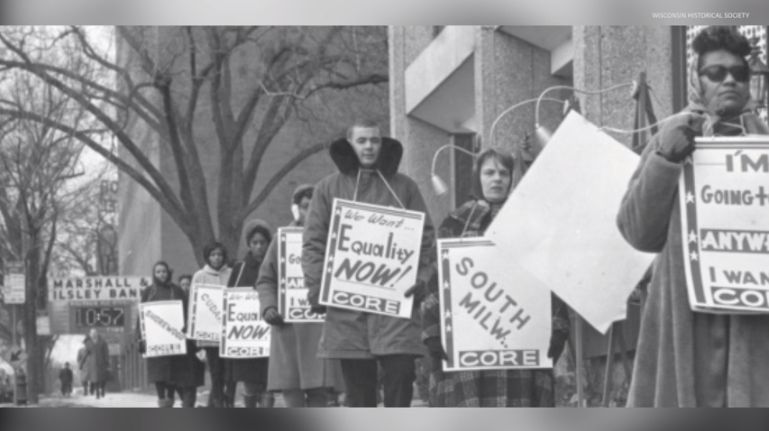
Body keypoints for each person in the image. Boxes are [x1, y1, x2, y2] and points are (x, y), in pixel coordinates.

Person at [617, 26, 769, 407]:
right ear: (697, 81)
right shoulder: (670, 136)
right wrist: (665, 162)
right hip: (683, 319)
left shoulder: (765, 143)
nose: (730, 80)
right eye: (716, 73)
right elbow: (637, 233)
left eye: (739, 73)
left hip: (754, 325)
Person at [420, 148, 570, 407]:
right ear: (478, 177)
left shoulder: (530, 224)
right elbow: (435, 282)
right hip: (467, 347)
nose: (497, 178)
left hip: (519, 343)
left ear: (511, 178)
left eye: (503, 173)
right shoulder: (455, 224)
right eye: (489, 172)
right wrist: (434, 335)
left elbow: (548, 282)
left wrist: (556, 330)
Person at [303, 119, 436, 407]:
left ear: (382, 143)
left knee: (400, 379)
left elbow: (426, 239)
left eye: (374, 140)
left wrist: (422, 279)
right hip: (347, 312)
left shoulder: (404, 187)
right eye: (362, 141)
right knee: (360, 393)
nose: (369, 146)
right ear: (350, 144)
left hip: (395, 308)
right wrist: (318, 288)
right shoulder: (328, 188)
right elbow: (313, 243)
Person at [257, 184, 346, 407]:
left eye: (315, 206)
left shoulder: (333, 240)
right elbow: (266, 279)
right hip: (288, 328)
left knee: (319, 393)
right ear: (297, 209)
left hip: (320, 329)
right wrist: (269, 307)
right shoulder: (281, 240)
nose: (311, 211)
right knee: (292, 392)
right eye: (306, 206)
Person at [221, 220, 274, 408]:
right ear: (249, 245)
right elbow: (229, 301)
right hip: (247, 342)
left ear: (269, 243)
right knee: (250, 386)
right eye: (255, 243)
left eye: (262, 242)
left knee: (270, 386)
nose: (259, 246)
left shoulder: (276, 266)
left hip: (270, 339)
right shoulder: (240, 268)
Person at [137, 261, 194, 407]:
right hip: (155, 341)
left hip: (173, 339)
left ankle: (170, 399)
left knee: (172, 374)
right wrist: (140, 338)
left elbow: (186, 312)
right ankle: (163, 402)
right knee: (159, 375)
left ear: (168, 272)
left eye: (164, 271)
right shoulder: (149, 292)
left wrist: (185, 329)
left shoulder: (176, 290)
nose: (162, 274)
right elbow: (141, 315)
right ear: (154, 274)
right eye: (158, 272)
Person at [192, 242, 232, 407]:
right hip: (210, 336)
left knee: (229, 374)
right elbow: (194, 305)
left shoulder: (231, 273)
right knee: (216, 373)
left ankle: (224, 403)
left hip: (230, 335)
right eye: (213, 254)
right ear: (208, 257)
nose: (217, 258)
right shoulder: (199, 276)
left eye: (220, 254)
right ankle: (218, 402)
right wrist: (194, 333)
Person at [87, 328, 110, 399]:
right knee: (95, 379)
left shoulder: (103, 342)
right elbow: (86, 353)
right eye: (92, 333)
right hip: (93, 364)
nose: (93, 334)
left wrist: (107, 361)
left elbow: (106, 352)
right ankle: (97, 393)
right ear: (90, 334)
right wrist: (84, 363)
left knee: (102, 378)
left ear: (97, 333)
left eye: (94, 333)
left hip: (102, 362)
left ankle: (102, 389)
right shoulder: (88, 343)